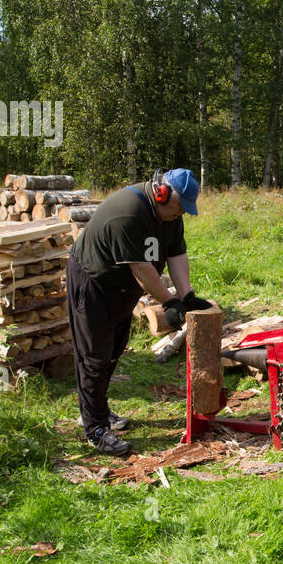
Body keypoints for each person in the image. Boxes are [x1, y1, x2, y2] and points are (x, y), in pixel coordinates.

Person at [66, 169, 210, 455]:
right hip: (94, 282)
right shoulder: (128, 212)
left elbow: (176, 254)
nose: (179, 214)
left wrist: (187, 296)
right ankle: (94, 428)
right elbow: (141, 268)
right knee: (94, 356)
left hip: (122, 287)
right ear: (161, 193)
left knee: (114, 350)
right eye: (178, 207)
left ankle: (99, 411)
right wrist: (169, 302)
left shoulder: (170, 216)